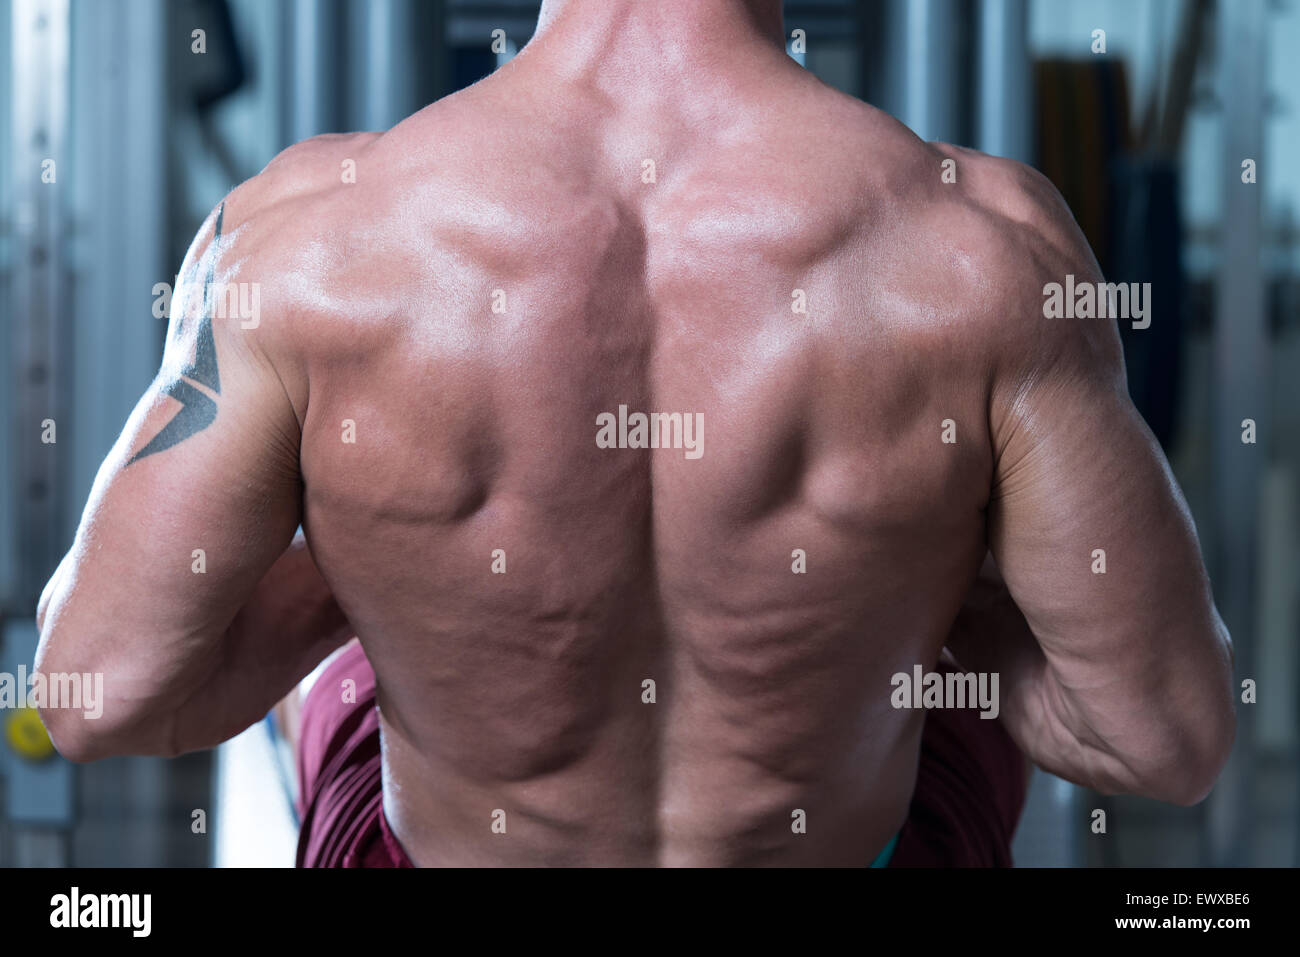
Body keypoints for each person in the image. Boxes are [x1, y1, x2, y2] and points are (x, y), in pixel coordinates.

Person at [34, 0, 1234, 867]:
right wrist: (899, 598)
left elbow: (96, 698)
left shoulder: (303, 242)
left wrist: (378, 573)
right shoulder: (990, 252)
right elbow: (1160, 734)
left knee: (344, 679)